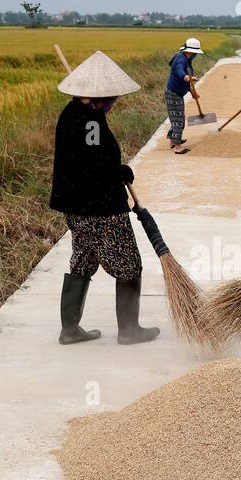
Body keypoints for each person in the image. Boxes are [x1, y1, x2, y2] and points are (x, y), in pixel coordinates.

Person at [50, 50, 160, 346]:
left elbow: (90, 159)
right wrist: (118, 171)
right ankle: (129, 330)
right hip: (99, 208)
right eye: (111, 97)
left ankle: (70, 329)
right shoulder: (90, 123)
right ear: (99, 96)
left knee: (83, 260)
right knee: (129, 264)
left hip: (76, 208)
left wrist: (114, 169)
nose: (114, 102)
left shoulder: (74, 113)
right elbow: (93, 164)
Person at [165, 37, 204, 154]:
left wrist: (193, 93)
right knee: (178, 120)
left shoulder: (186, 59)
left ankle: (173, 141)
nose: (196, 55)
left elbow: (186, 81)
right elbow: (179, 71)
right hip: (173, 93)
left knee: (176, 117)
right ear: (191, 51)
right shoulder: (181, 59)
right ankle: (178, 147)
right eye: (195, 53)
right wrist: (187, 77)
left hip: (177, 92)